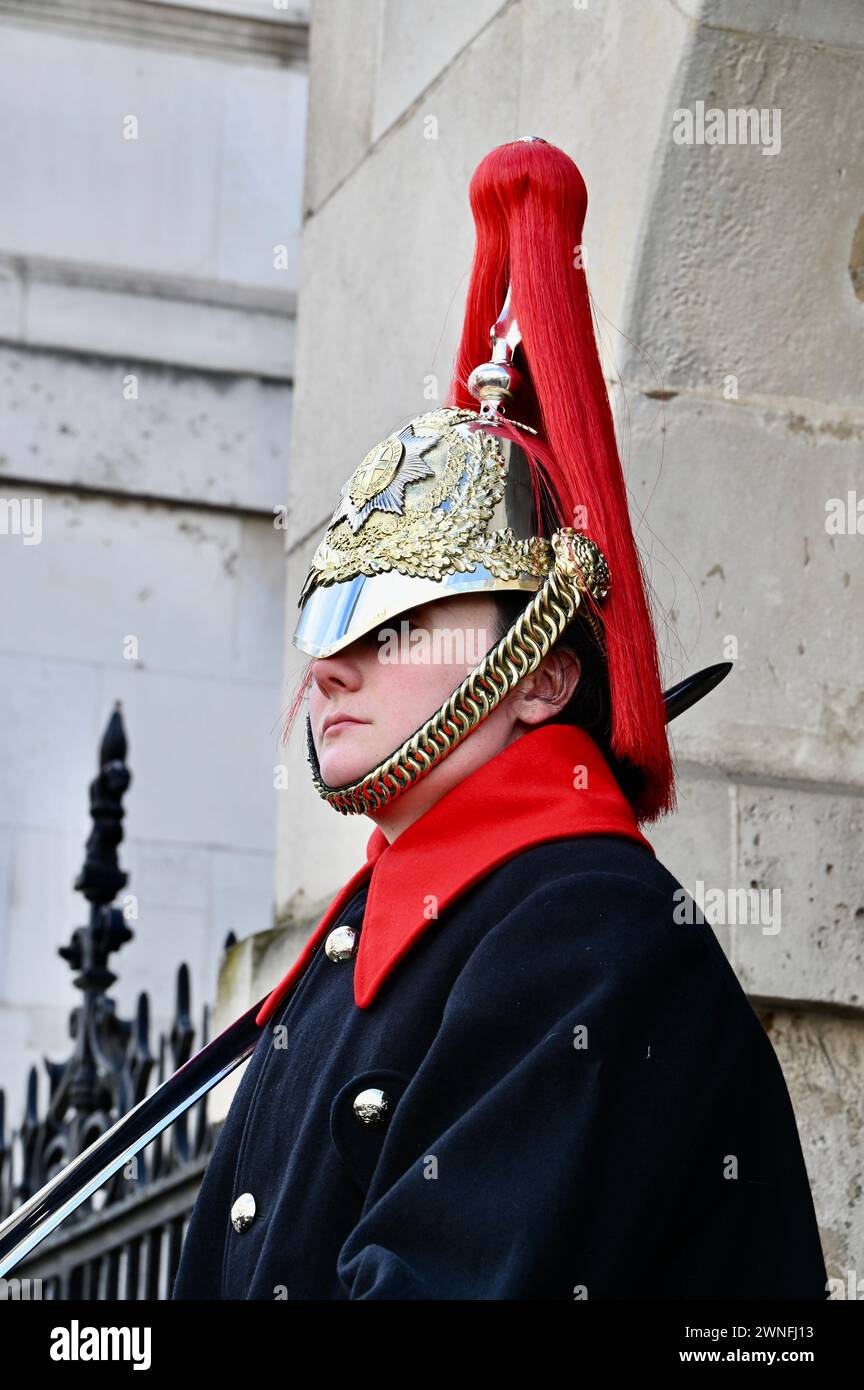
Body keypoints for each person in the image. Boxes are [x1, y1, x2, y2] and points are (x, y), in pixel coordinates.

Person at [171, 138, 827, 1300]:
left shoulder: (585, 933)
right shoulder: (360, 945)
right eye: (332, 625)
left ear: (542, 675)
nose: (329, 670)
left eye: (396, 626)